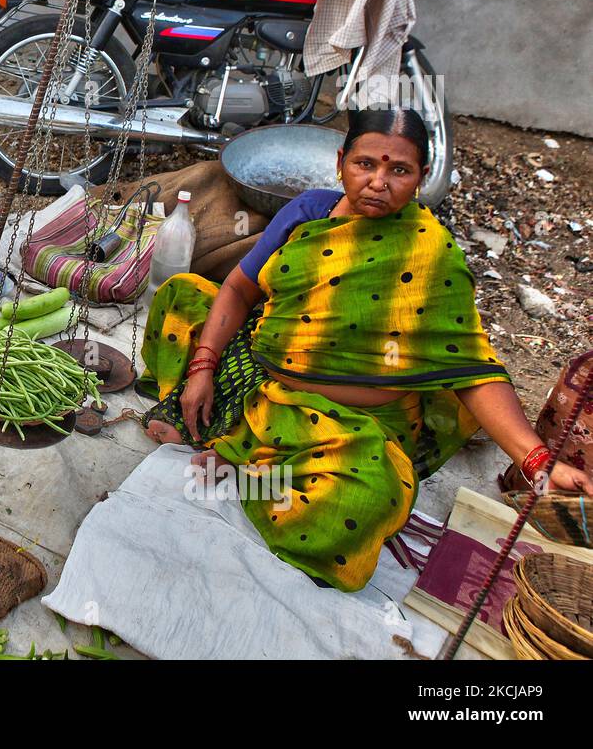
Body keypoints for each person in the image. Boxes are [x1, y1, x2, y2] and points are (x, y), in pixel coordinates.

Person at [138, 108, 593, 592]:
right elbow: (238, 290)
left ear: (420, 178)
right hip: (259, 376)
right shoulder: (309, 211)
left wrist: (539, 462)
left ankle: (245, 463)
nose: (379, 182)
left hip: (360, 423)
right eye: (365, 165)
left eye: (399, 170)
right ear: (341, 164)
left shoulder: (430, 250)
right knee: (181, 298)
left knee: (361, 505)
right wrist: (205, 367)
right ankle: (235, 431)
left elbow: (470, 367)